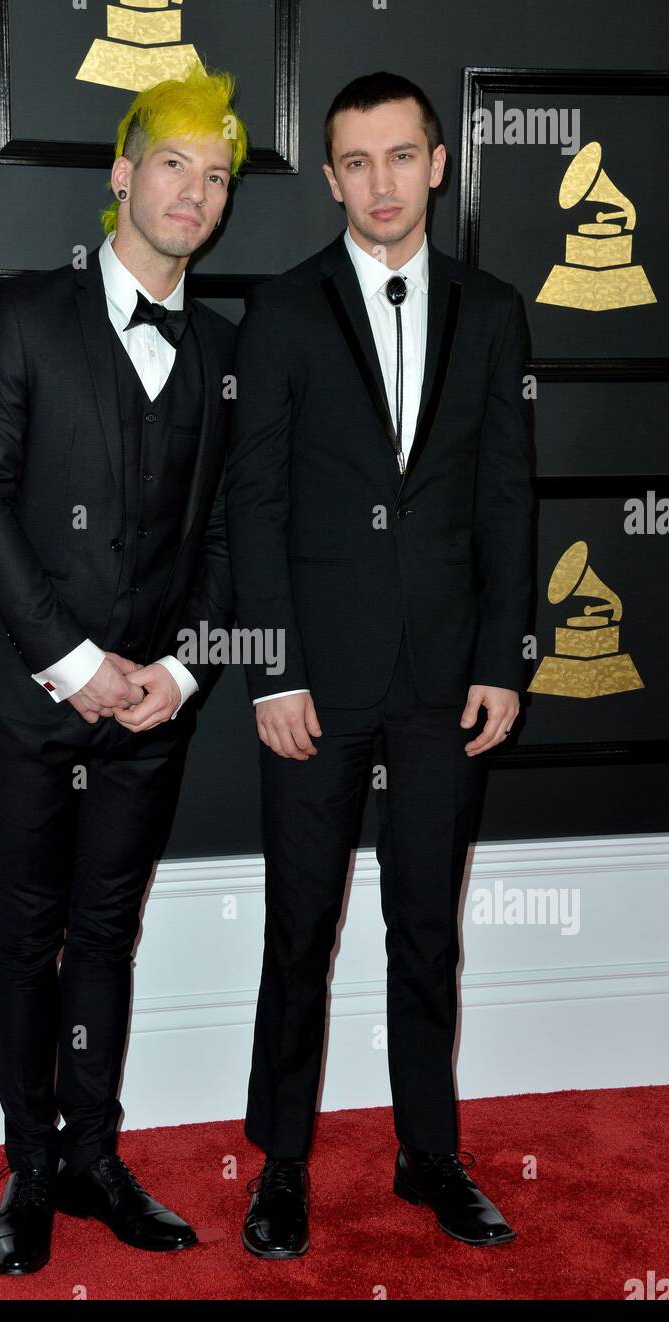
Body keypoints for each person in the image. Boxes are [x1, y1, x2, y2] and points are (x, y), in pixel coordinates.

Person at [0, 64, 248, 1274]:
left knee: (110, 928)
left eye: (216, 177)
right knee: (31, 929)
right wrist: (73, 660)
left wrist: (180, 671)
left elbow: (230, 535)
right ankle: (27, 1166)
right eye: (174, 164)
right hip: (25, 685)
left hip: (156, 704)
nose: (196, 193)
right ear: (123, 173)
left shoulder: (226, 347)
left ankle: (93, 1157)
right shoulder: (16, 311)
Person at [225, 71, 535, 1258]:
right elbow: (253, 503)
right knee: (299, 926)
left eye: (401, 157)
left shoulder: (495, 310)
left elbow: (508, 497)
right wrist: (272, 670)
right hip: (317, 681)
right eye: (356, 162)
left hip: (447, 681)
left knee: (427, 926)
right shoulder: (285, 311)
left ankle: (428, 1154)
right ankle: (283, 1164)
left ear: (439, 163)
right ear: (332, 176)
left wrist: (507, 658)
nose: (381, 183)